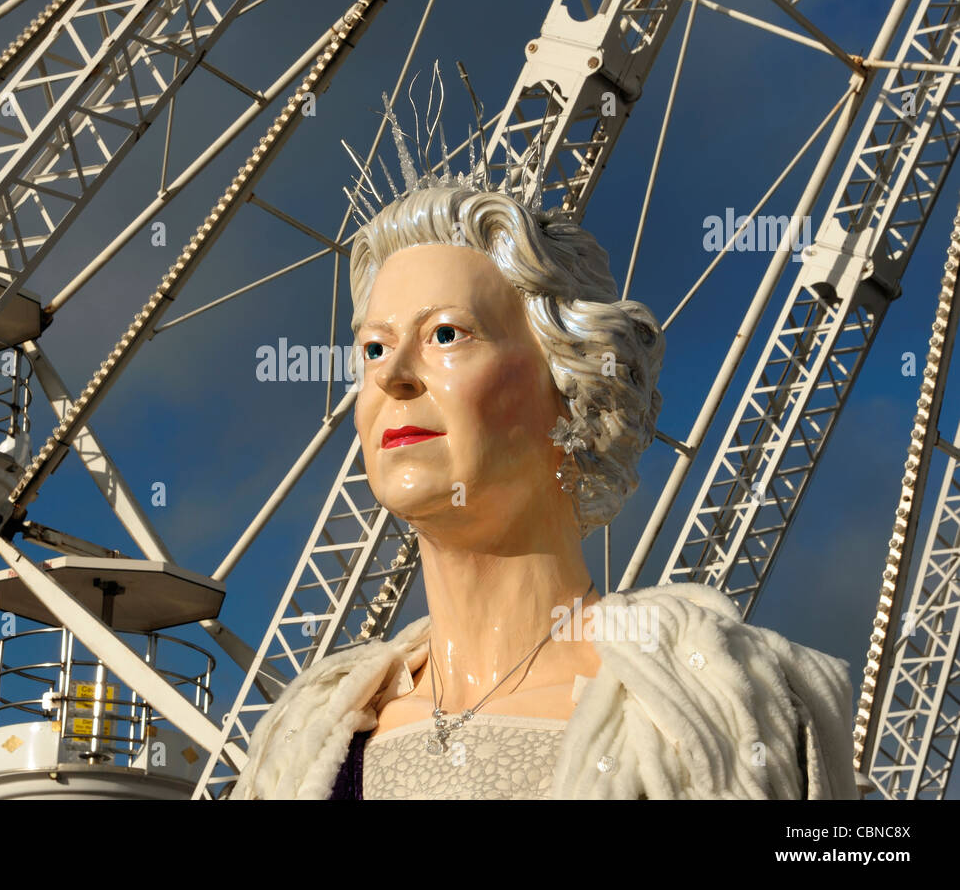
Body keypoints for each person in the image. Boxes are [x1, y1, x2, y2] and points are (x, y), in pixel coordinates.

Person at [229, 66, 860, 800]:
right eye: (373, 346)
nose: (392, 375)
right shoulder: (308, 741)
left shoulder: (716, 713)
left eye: (445, 334)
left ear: (571, 387)